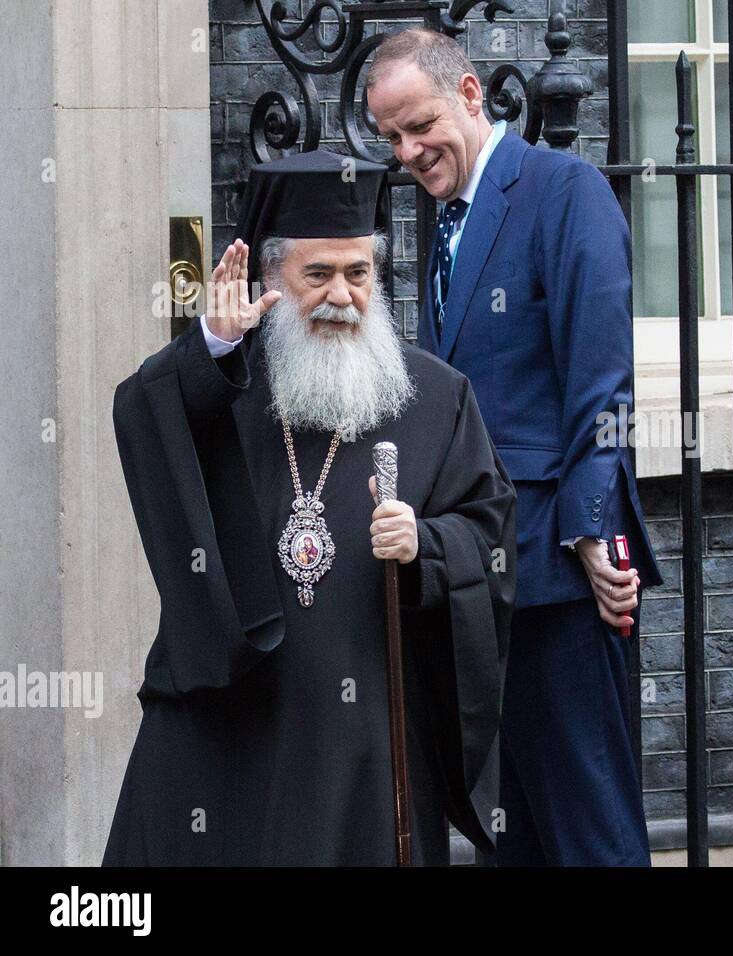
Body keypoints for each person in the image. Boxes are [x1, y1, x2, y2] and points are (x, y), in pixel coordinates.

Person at [103, 150, 516, 865]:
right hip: (235, 722)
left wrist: (424, 544)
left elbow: (492, 534)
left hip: (367, 737)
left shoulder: (436, 396)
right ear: (271, 278)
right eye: (316, 274)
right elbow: (143, 419)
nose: (341, 294)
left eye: (358, 273)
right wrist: (209, 349)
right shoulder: (223, 379)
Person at [366, 28, 663, 866]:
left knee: (588, 830)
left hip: (560, 575)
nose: (408, 151)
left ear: (469, 95)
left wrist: (592, 534)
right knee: (515, 831)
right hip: (482, 574)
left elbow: (602, 386)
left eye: (417, 125)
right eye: (390, 138)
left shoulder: (565, 189)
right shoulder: (448, 217)